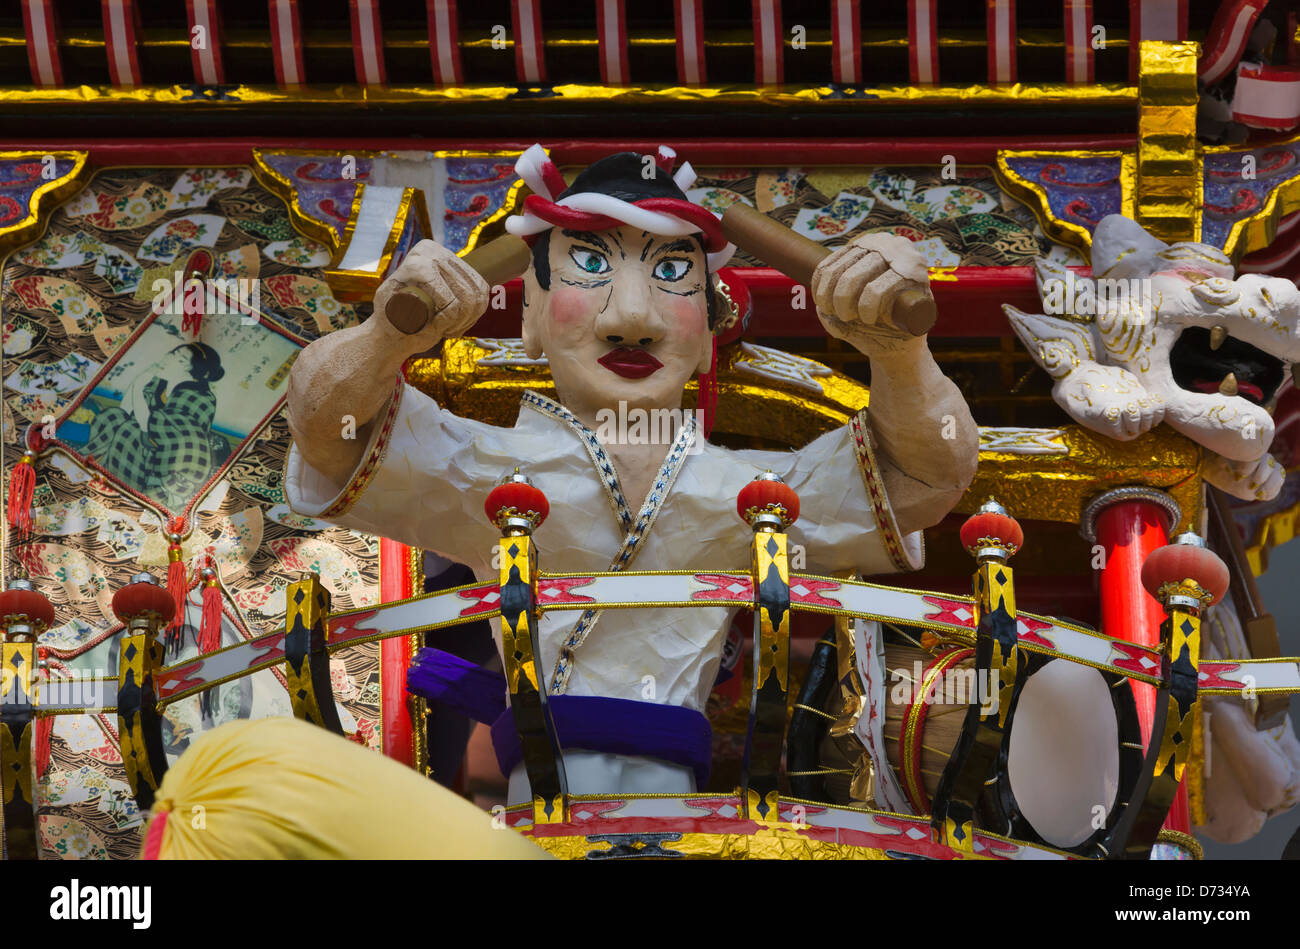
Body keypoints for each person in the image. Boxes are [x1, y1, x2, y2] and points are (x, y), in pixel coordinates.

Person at [284, 145, 979, 801]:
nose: (633, 319)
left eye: (672, 273)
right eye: (588, 264)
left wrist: (901, 356)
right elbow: (326, 429)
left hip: (676, 803)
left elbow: (921, 477)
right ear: (529, 315)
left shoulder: (741, 493)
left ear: (710, 333)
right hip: (537, 809)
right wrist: (386, 336)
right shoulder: (484, 468)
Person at [86, 341, 226, 510]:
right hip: (150, 441)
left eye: (180, 360)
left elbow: (151, 427)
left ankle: (124, 493)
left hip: (175, 462)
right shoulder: (160, 382)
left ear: (194, 373)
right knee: (113, 417)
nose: (170, 359)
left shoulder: (201, 397)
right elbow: (127, 410)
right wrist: (141, 379)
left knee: (130, 431)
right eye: (173, 353)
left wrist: (138, 386)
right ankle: (98, 472)